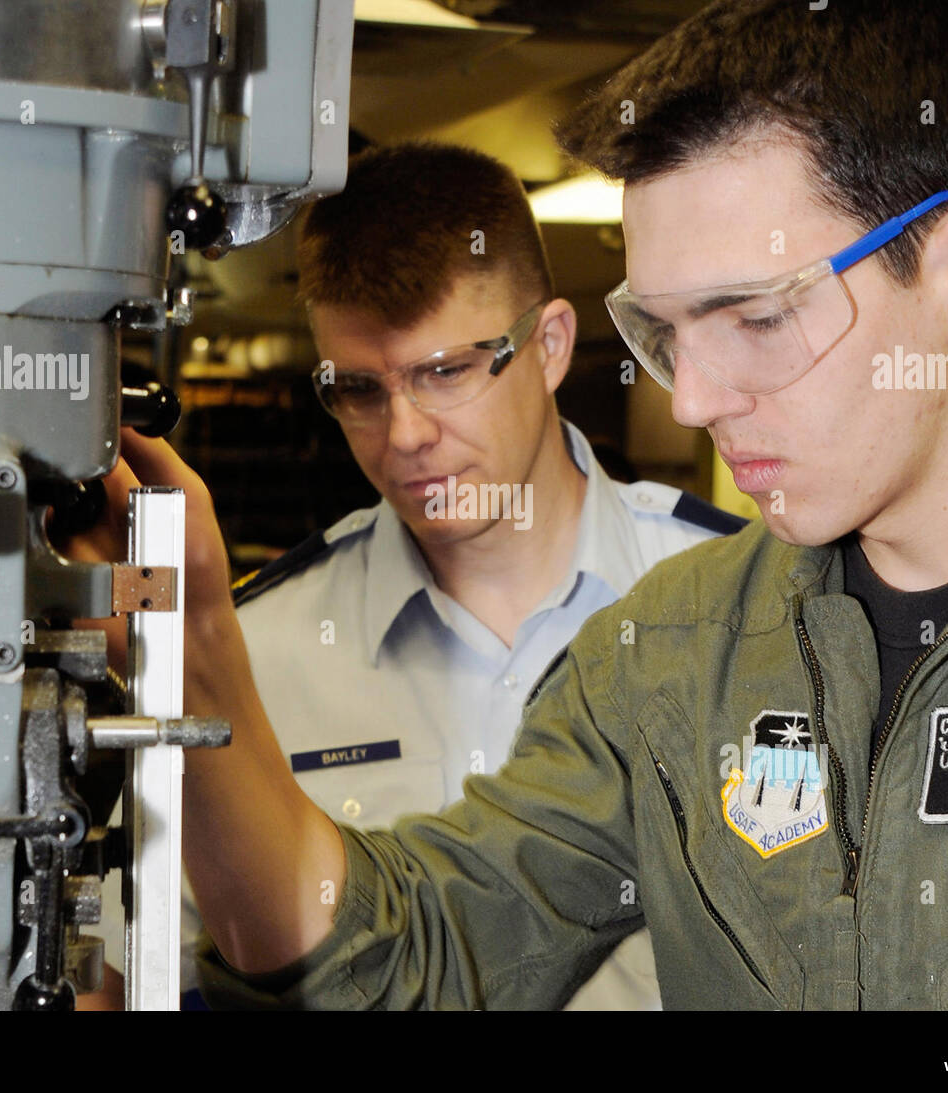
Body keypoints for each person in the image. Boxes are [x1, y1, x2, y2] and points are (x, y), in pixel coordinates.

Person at [98, 0, 948, 1009]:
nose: (691, 399)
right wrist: (193, 658)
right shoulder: (672, 649)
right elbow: (409, 954)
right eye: (666, 331)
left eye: (757, 318)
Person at [189, 142, 743, 1011]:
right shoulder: (245, 662)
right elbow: (133, 966)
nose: (404, 433)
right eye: (360, 391)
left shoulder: (744, 612)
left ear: (551, 344)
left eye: (444, 373)